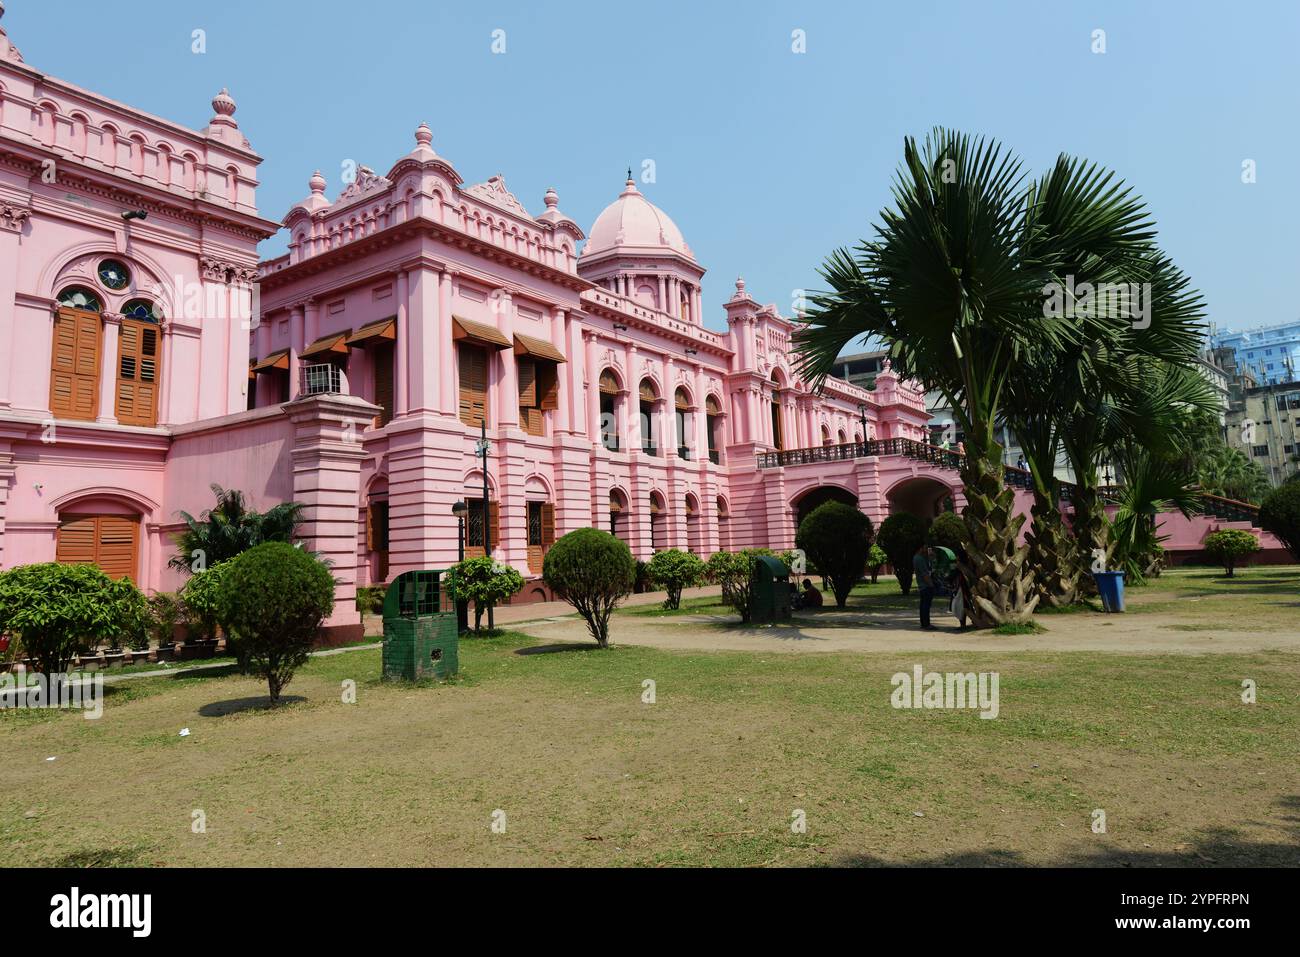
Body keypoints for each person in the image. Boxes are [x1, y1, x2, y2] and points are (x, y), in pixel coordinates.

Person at [913, 544, 936, 631]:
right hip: (925, 585)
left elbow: (930, 565)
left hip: (923, 585)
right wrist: (931, 584)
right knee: (925, 605)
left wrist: (931, 557)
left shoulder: (921, 558)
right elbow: (924, 574)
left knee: (924, 605)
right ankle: (926, 624)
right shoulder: (919, 559)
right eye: (925, 548)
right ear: (921, 548)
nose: (926, 549)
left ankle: (925, 623)